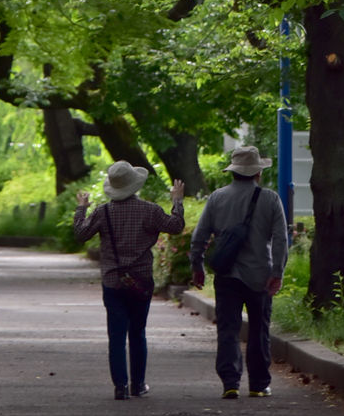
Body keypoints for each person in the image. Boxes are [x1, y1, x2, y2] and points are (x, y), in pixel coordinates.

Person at [74, 160, 185, 401]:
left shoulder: (102, 212)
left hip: (113, 280)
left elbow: (81, 234)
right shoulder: (149, 210)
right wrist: (177, 200)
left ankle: (120, 387)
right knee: (137, 333)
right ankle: (138, 384)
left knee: (115, 336)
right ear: (134, 185)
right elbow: (176, 226)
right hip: (140, 281)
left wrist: (82, 208)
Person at [189, 144, 288, 400]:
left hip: (227, 275)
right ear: (258, 173)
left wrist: (197, 266)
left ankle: (230, 382)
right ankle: (258, 384)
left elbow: (199, 237)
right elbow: (280, 239)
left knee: (228, 329)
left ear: (232, 172)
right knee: (259, 329)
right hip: (260, 275)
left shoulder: (217, 198)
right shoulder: (270, 199)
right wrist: (277, 272)